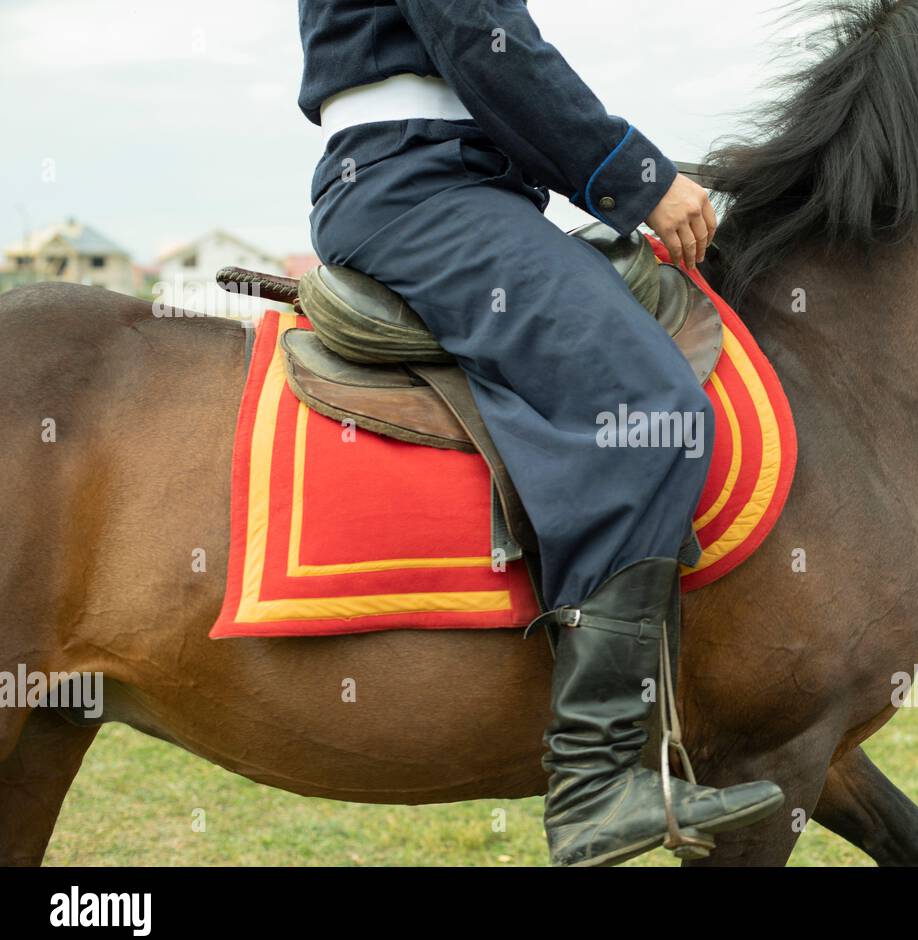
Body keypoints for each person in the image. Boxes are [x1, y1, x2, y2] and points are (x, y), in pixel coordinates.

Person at [296, 0, 783, 866]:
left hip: (454, 181)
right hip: (419, 186)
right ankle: (595, 782)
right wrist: (636, 176)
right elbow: (493, 48)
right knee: (655, 411)